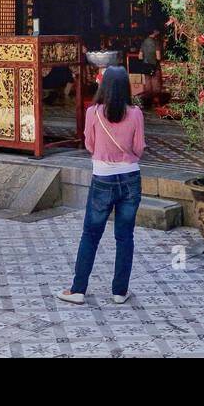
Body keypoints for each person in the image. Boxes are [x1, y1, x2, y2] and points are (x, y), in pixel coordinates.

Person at [59, 65, 145, 305]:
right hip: (130, 178)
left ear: (104, 86)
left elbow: (89, 145)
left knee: (91, 234)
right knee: (125, 236)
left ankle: (78, 289)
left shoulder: (93, 112)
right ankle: (119, 291)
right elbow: (139, 148)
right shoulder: (136, 113)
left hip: (102, 178)